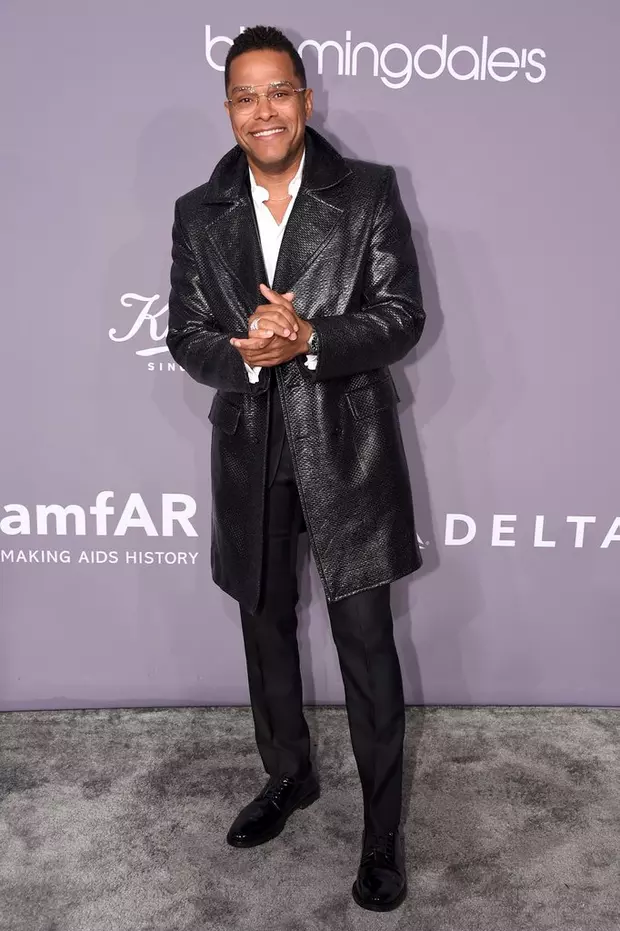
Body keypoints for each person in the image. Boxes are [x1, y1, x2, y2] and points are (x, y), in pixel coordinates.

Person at [166, 24, 425, 913]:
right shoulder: (197, 212)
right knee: (265, 627)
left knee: (367, 645)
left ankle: (382, 831)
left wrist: (311, 336)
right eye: (246, 97)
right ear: (229, 110)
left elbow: (401, 316)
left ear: (306, 100)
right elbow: (185, 335)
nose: (264, 111)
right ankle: (289, 776)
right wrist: (243, 352)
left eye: (279, 91)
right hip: (251, 447)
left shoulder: (369, 193)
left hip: (349, 446)